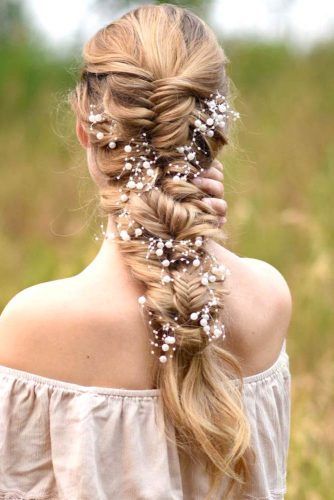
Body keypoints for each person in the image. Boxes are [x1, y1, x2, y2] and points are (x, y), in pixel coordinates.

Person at [0, 4, 292, 499]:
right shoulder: (269, 298)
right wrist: (196, 228)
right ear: (213, 136)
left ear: (86, 131)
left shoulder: (33, 327)